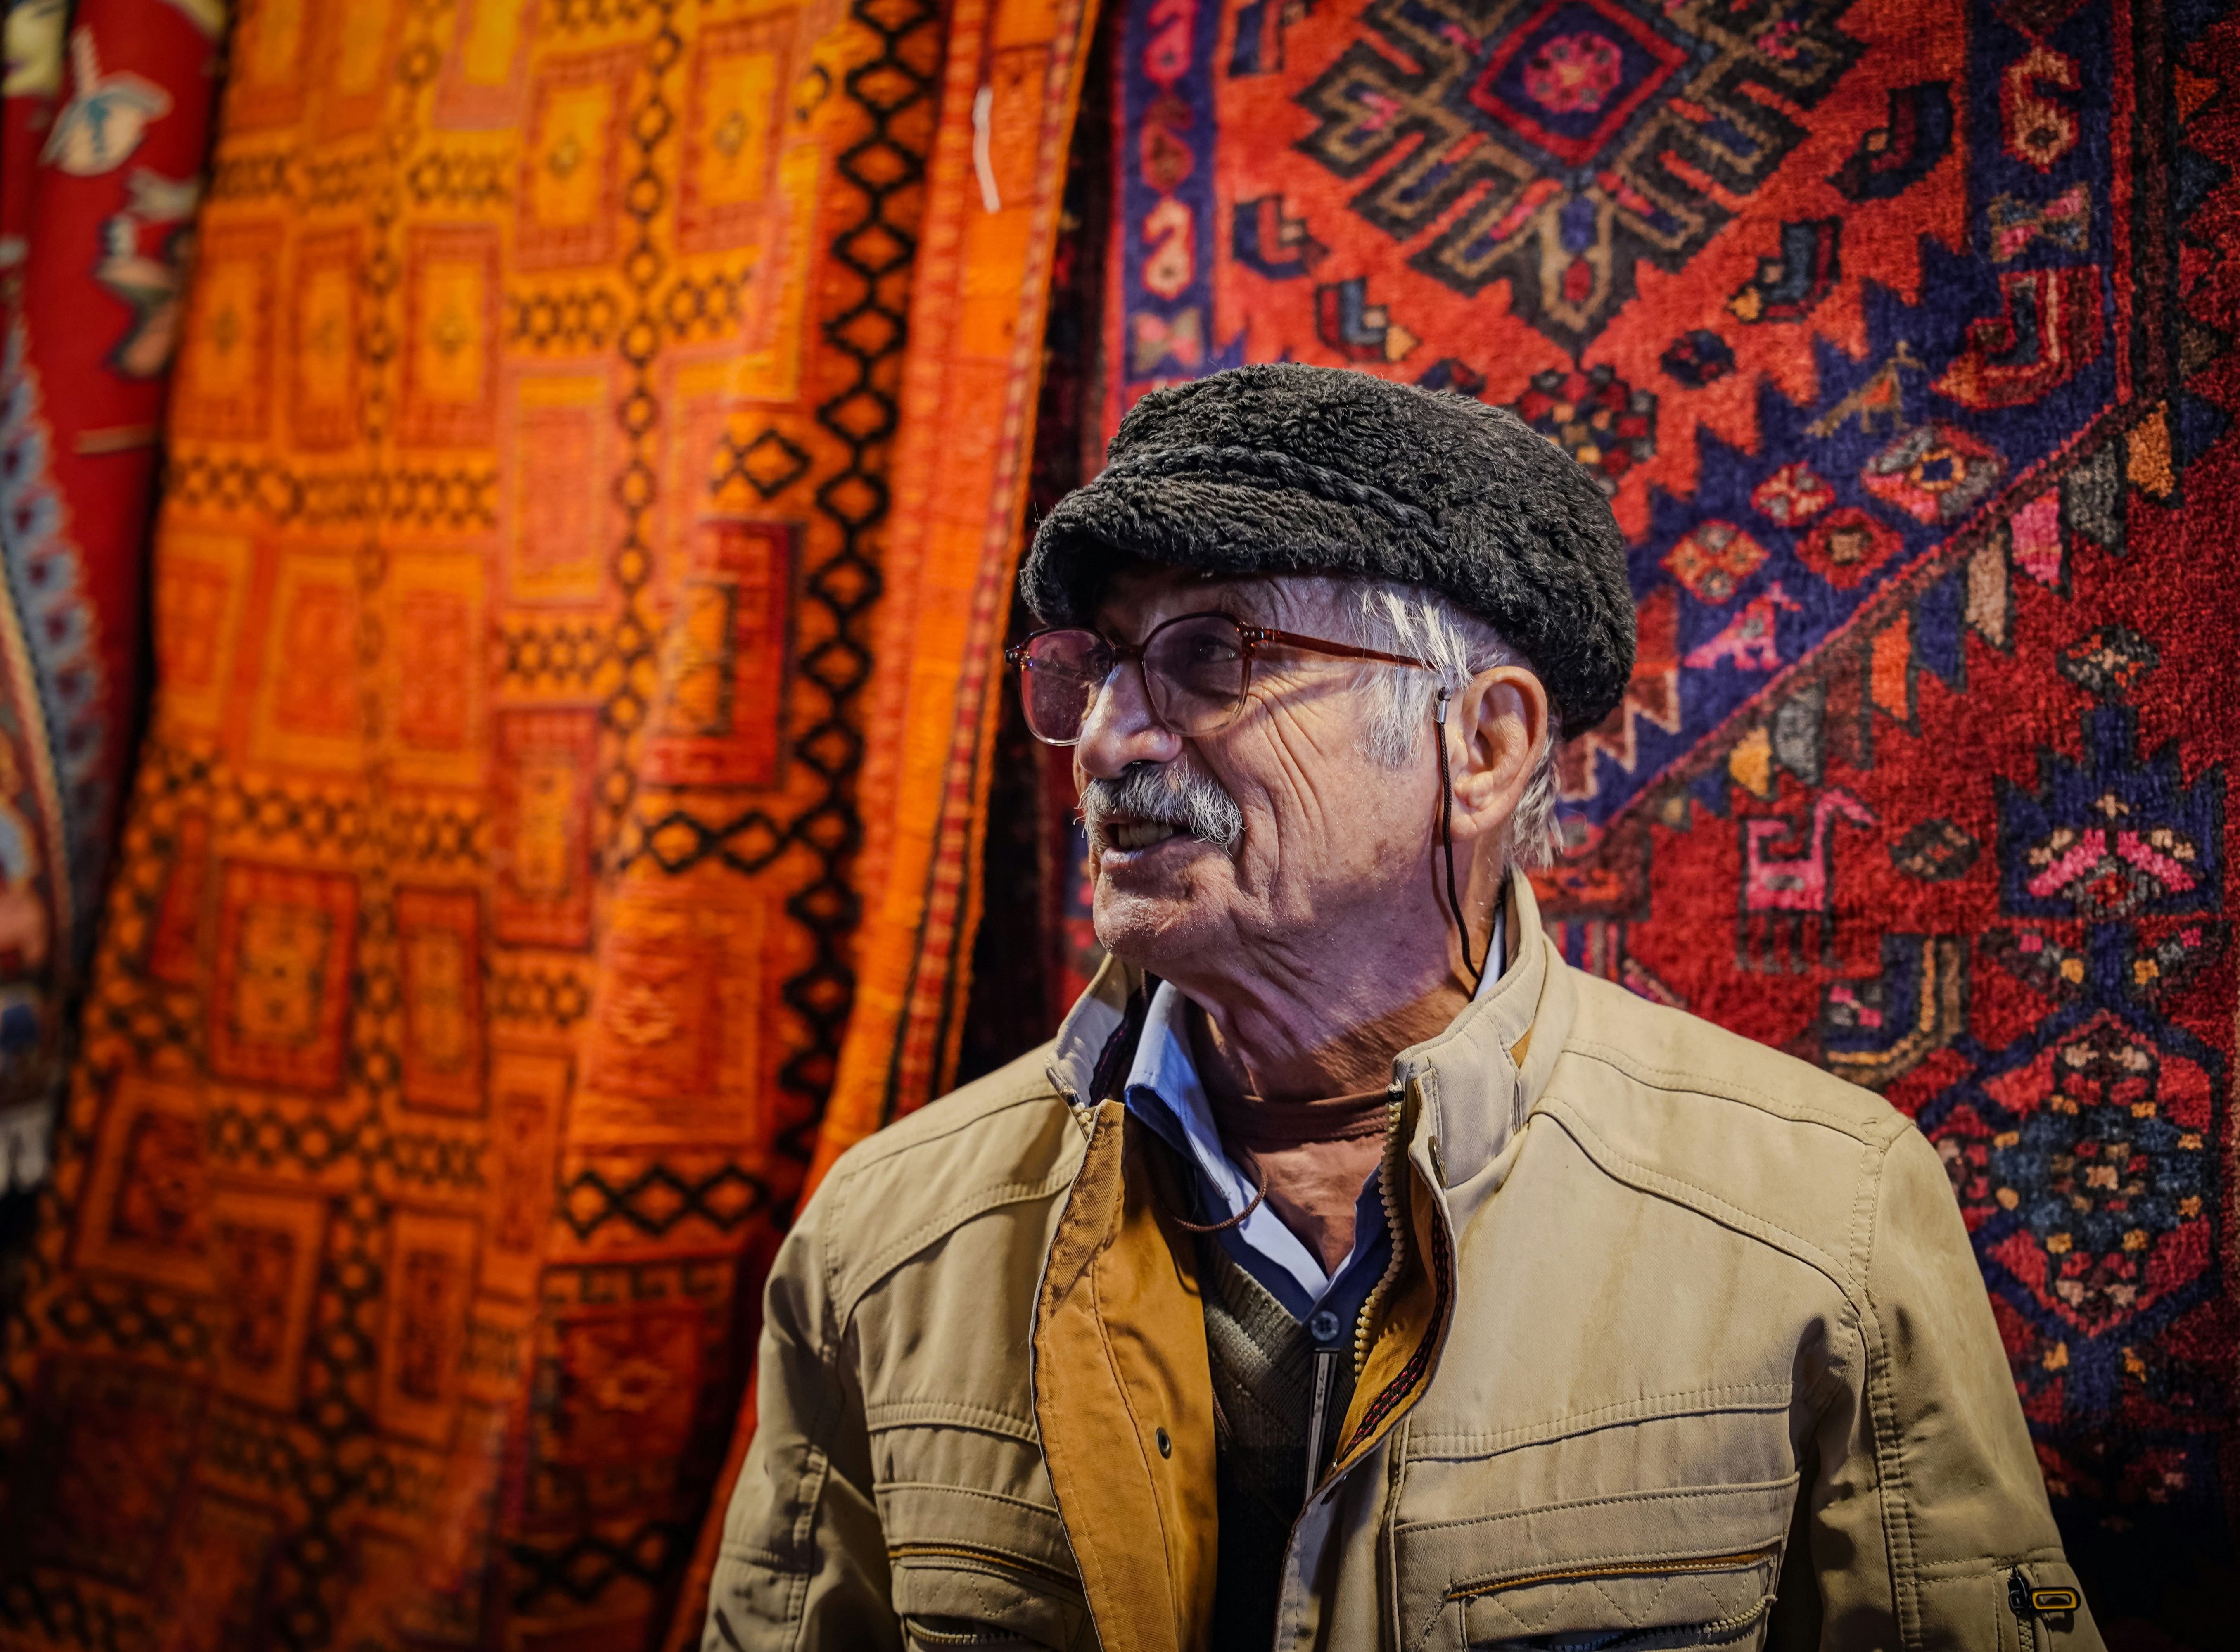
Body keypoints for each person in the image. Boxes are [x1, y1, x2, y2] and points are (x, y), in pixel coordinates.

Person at [705, 363, 2102, 1652]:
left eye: (1209, 656)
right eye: (1100, 670)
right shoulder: (886, 1241)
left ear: (1482, 745)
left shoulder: (1819, 1222)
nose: (1114, 741)